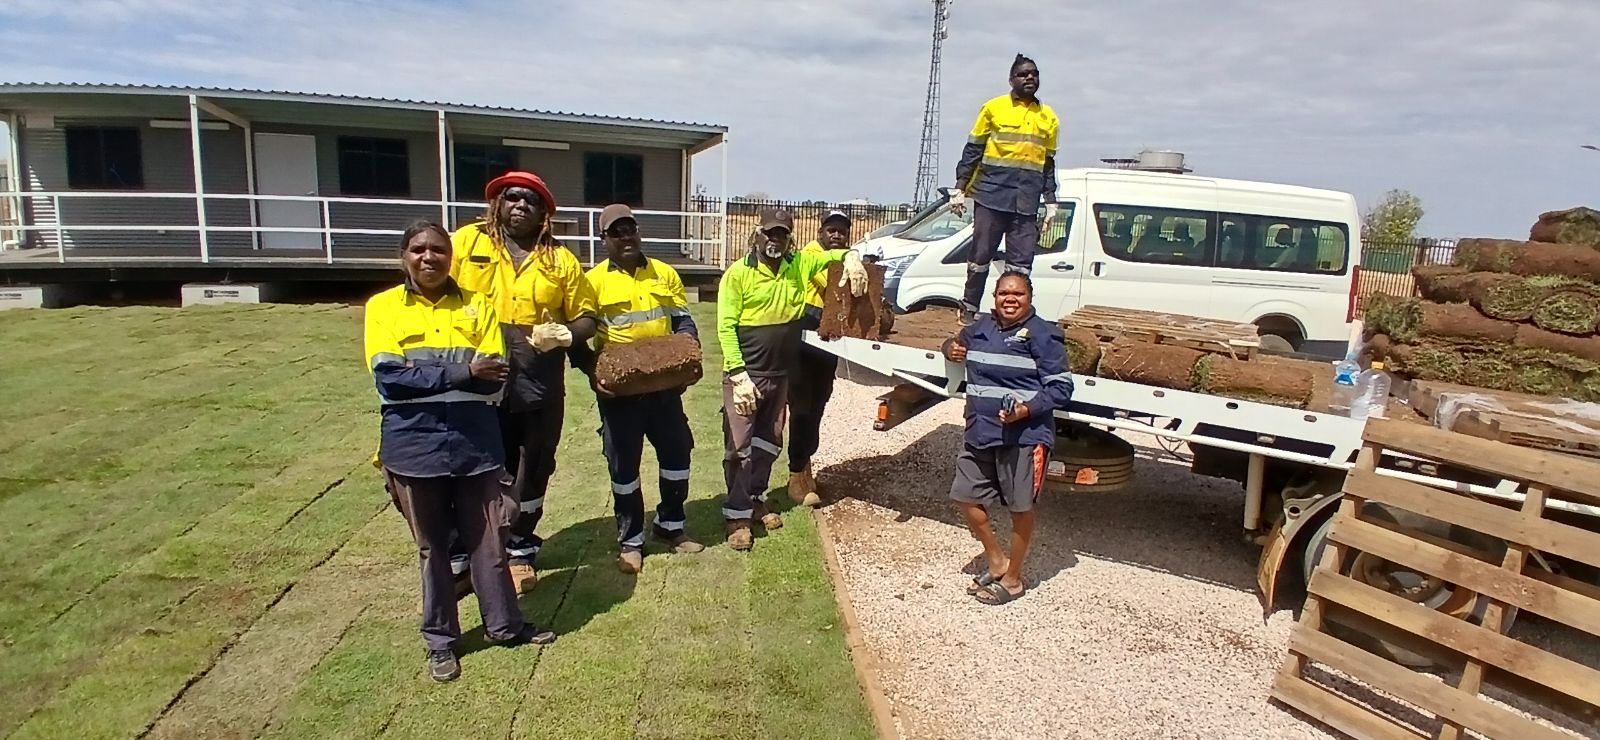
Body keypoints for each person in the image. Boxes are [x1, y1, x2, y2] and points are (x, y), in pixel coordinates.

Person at [365, 221, 557, 683]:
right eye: (418, 250)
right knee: (434, 550)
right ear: (403, 256)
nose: (428, 257)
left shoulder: (478, 305)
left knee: (489, 542)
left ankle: (504, 626)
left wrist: (434, 374)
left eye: (437, 250)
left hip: (476, 445)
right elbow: (389, 379)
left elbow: (495, 375)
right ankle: (441, 642)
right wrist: (462, 372)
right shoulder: (383, 308)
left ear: (450, 257)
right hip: (415, 448)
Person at [451, 171, 598, 593]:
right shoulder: (467, 244)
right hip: (476, 374)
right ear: (497, 203)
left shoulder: (561, 260)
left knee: (532, 466)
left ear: (544, 214)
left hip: (538, 379)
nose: (520, 205)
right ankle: (463, 556)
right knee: (471, 464)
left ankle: (520, 550)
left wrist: (569, 334)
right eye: (512, 197)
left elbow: (588, 314)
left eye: (532, 201)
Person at [716, 208, 868, 551]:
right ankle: (737, 517)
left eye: (782, 234)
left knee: (769, 443)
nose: (775, 240)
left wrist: (854, 258)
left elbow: (835, 254)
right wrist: (738, 374)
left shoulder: (797, 265)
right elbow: (725, 327)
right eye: (770, 233)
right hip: (746, 375)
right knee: (740, 448)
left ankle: (754, 499)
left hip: (779, 374)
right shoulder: (738, 274)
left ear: (790, 239)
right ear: (757, 235)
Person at [575, 204, 706, 573]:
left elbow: (683, 321)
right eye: (616, 232)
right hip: (622, 396)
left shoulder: (664, 274)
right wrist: (593, 374)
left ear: (639, 231)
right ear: (604, 240)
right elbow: (578, 338)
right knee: (624, 467)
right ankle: (631, 540)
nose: (626, 236)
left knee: (678, 455)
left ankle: (671, 525)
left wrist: (687, 353)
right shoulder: (593, 282)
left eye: (630, 228)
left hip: (664, 390)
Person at [940, 271, 1073, 605]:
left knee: (1020, 507)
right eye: (1003, 293)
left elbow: (1061, 387)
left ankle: (1013, 579)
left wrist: (1026, 410)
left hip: (1024, 437)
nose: (1009, 299)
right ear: (994, 297)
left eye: (1017, 294)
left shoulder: (1043, 335)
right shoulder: (982, 327)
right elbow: (955, 341)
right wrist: (950, 348)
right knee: (964, 496)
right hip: (980, 431)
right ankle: (997, 559)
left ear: (1030, 297)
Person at [949, 54, 1062, 325]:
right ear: (1012, 79)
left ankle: (1013, 317)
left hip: (1026, 200)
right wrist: (960, 186)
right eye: (1023, 74)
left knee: (1021, 264)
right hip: (992, 194)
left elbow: (1048, 162)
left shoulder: (1049, 117)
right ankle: (969, 307)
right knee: (980, 256)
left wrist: (1051, 201)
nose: (1030, 78)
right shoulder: (993, 108)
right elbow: (973, 150)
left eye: (1034, 74)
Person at [786, 208, 853, 507]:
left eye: (842, 230)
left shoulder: (848, 255)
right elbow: (837, 285)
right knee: (801, 407)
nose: (837, 235)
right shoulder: (811, 254)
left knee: (820, 402)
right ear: (819, 231)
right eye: (831, 229)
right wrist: (853, 263)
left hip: (828, 339)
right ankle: (795, 474)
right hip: (803, 336)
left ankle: (805, 463)